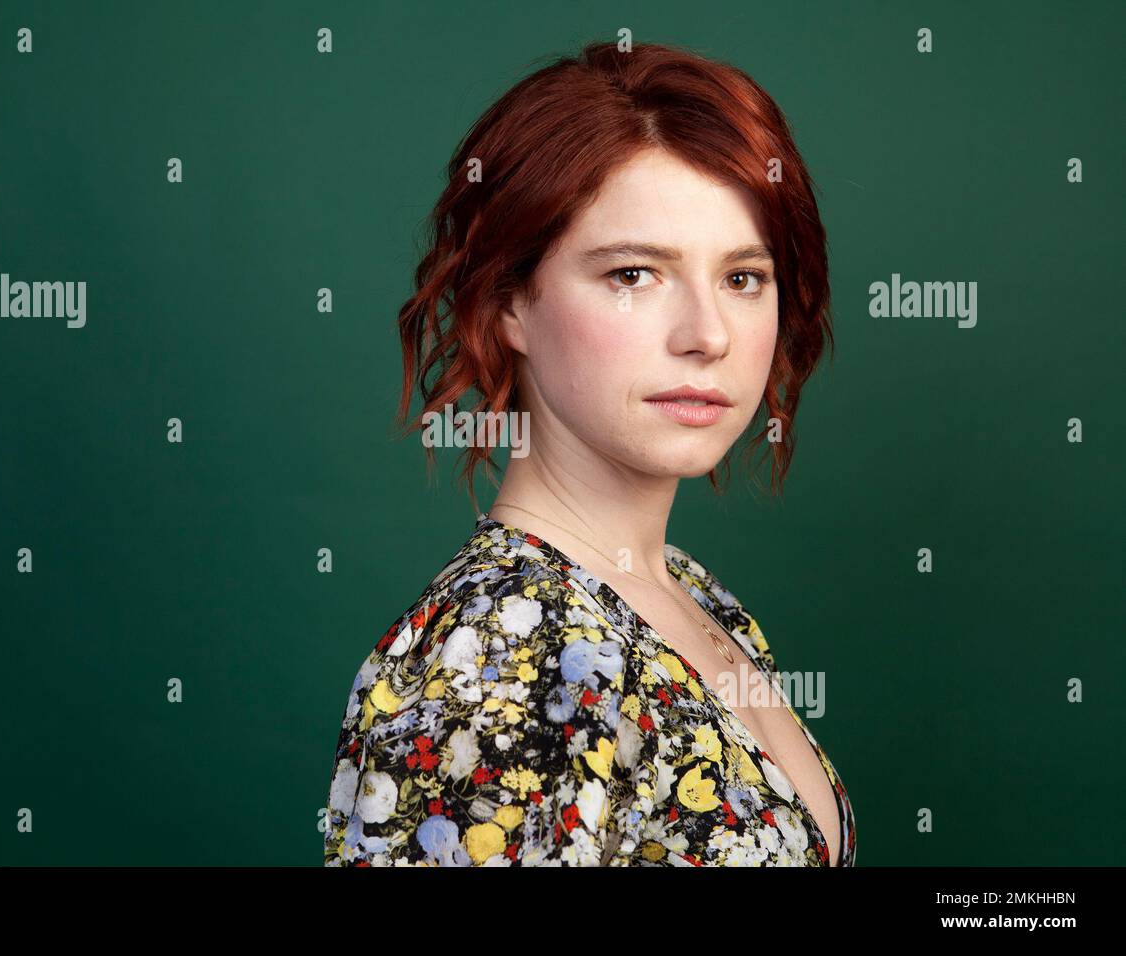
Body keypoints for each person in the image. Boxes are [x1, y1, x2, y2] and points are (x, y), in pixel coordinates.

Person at [321, 39, 855, 866]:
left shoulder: (693, 600)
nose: (707, 335)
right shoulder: (498, 655)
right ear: (508, 305)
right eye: (634, 274)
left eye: (744, 278)